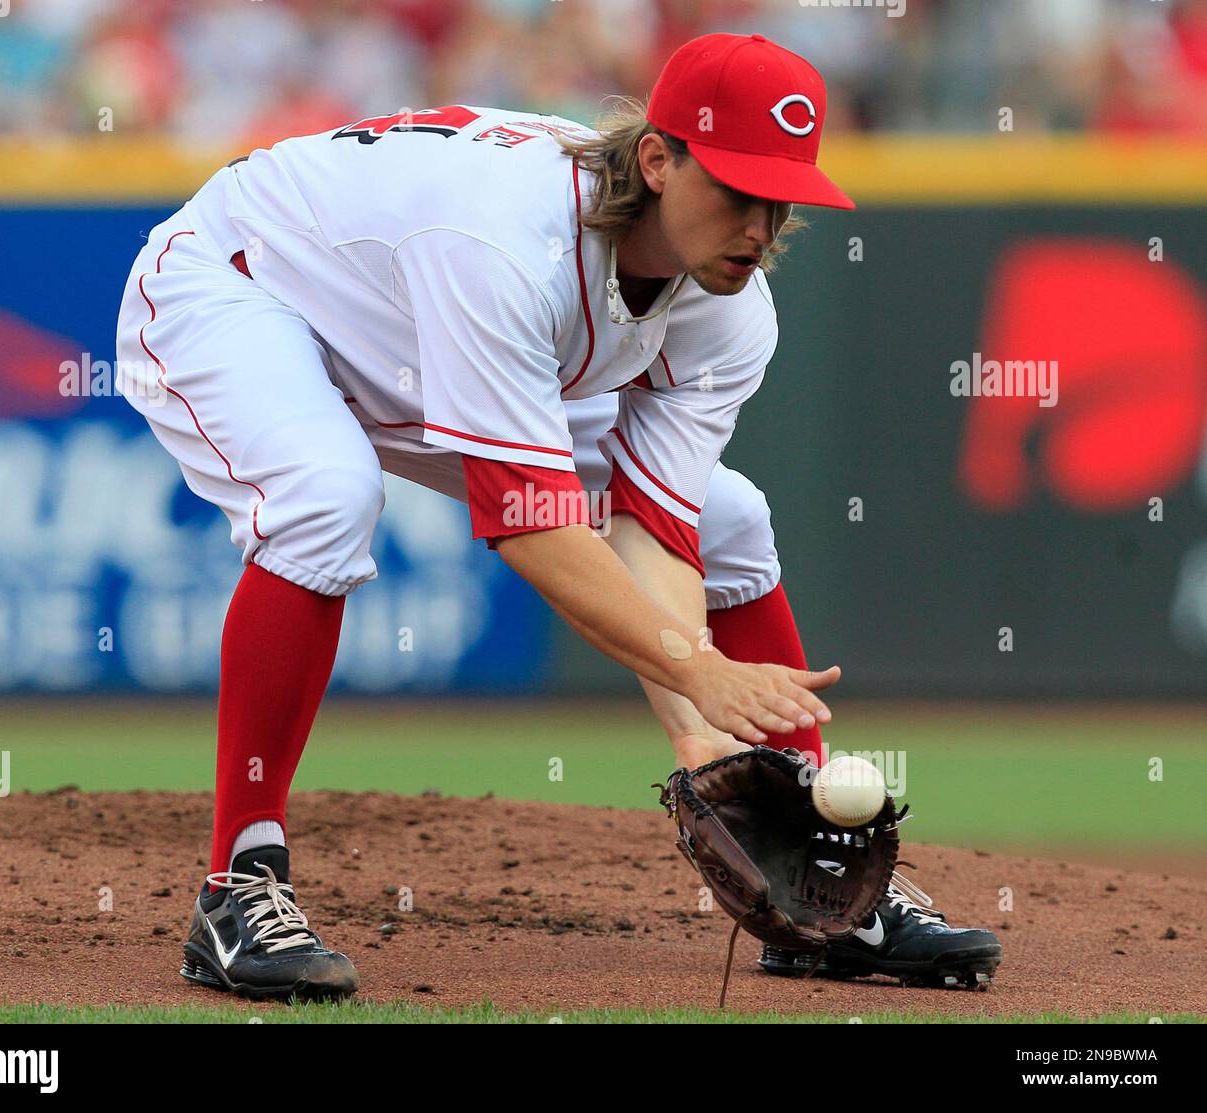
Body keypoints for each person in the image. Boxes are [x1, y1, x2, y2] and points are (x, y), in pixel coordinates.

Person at [116, 32, 999, 1001]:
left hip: (413, 330)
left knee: (729, 515)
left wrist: (700, 736)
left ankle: (823, 891)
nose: (760, 224)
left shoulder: (728, 311)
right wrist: (695, 669)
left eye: (780, 198)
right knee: (327, 496)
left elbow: (655, 526)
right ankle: (238, 887)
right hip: (243, 284)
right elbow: (532, 528)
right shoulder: (504, 241)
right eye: (737, 190)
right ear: (657, 160)